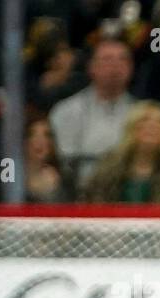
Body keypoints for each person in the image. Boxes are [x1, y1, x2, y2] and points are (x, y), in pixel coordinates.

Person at [48, 38, 136, 187]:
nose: (115, 66)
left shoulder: (141, 112)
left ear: (131, 68)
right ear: (92, 67)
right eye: (107, 59)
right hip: (79, 194)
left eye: (122, 59)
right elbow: (65, 163)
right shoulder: (66, 111)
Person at [82, 101, 160, 203]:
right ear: (131, 127)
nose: (152, 126)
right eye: (144, 120)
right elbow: (91, 201)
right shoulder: (109, 163)